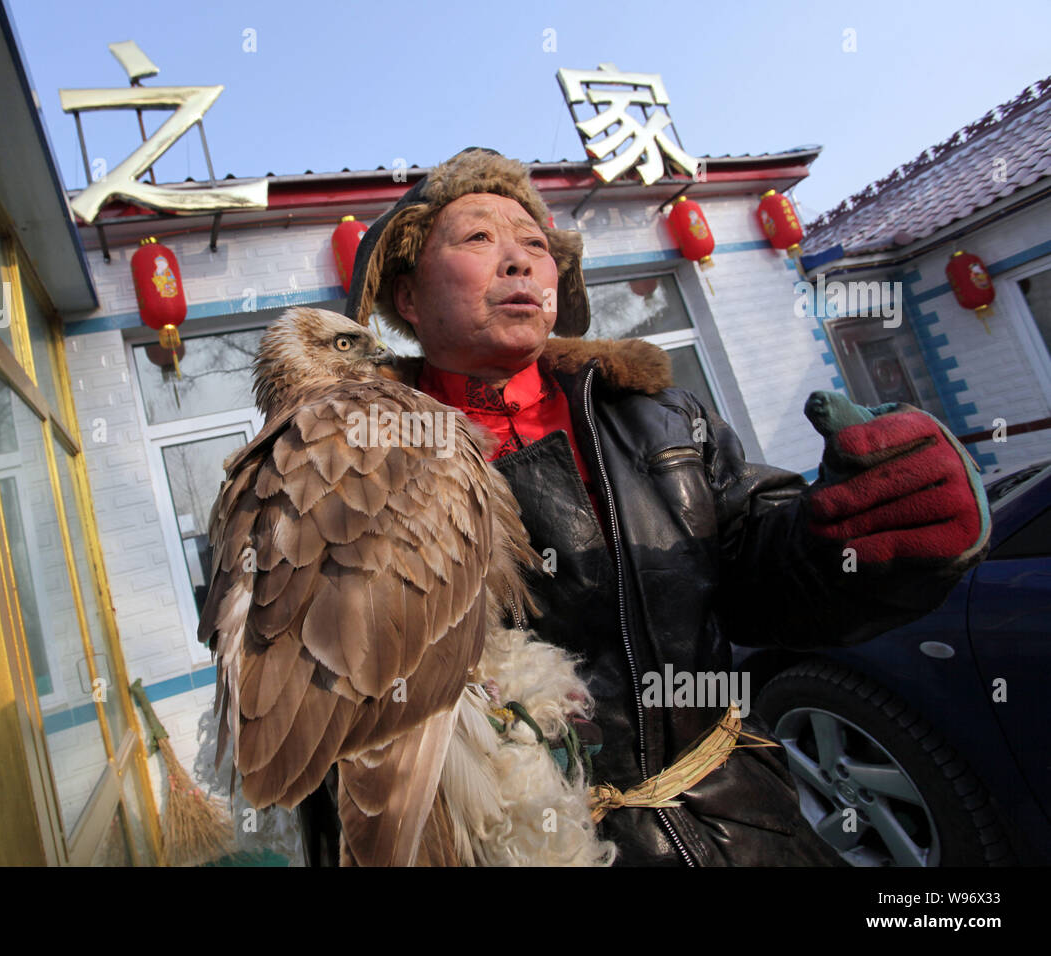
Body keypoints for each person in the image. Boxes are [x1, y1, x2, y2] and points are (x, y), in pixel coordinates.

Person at [311, 146, 991, 866]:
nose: (519, 262)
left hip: (747, 822)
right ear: (407, 298)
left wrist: (854, 532)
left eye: (536, 245)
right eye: (478, 238)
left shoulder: (658, 413)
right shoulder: (364, 465)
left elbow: (761, 574)